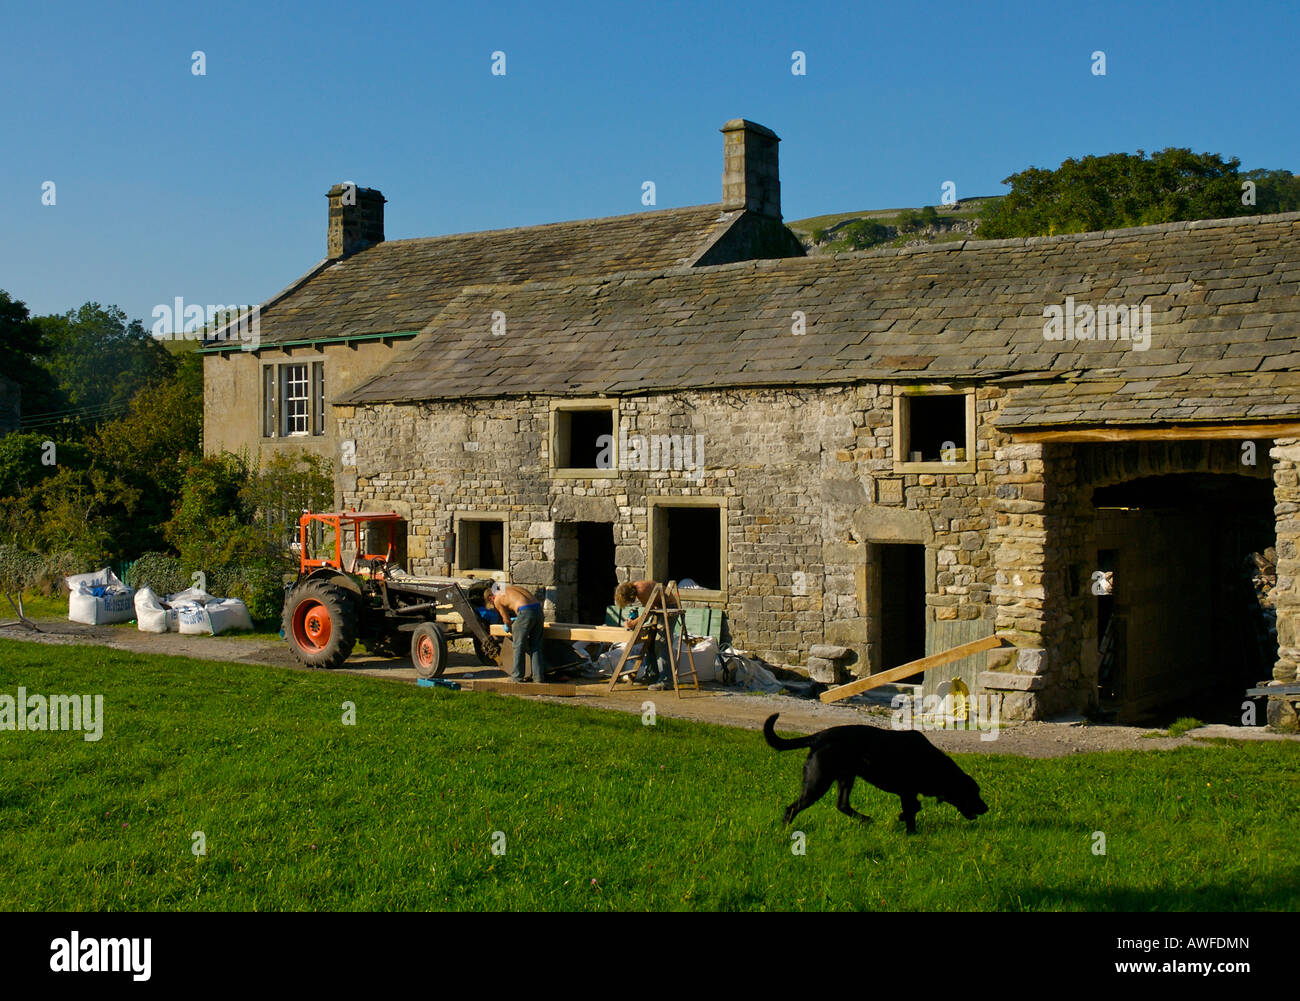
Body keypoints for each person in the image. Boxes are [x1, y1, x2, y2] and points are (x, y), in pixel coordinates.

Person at [613, 579, 679, 690]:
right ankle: (652, 675)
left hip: (669, 608)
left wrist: (633, 623)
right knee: (650, 641)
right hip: (660, 608)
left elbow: (648, 612)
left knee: (661, 643)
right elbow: (652, 608)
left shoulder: (642, 590)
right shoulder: (636, 587)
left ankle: (666, 681)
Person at [486, 584, 546, 683]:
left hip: (525, 611)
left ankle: (517, 677)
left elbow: (507, 621)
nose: (494, 604)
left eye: (491, 602)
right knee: (536, 645)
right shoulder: (513, 588)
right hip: (538, 611)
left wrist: (509, 627)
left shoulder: (497, 599)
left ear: (491, 597)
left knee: (518, 645)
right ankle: (538, 677)